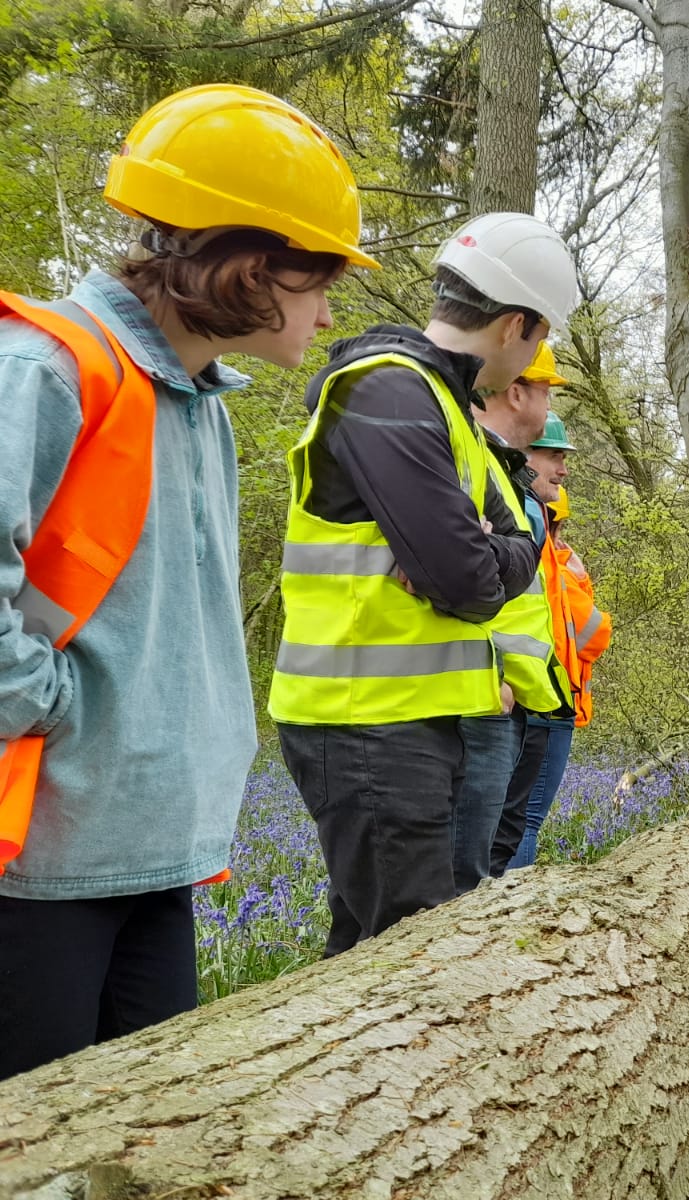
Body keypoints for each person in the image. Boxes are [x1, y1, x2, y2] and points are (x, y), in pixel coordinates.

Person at [0, 84, 374, 1080]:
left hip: (153, 854)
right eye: (320, 279)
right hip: (35, 866)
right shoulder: (50, 369)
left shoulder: (201, 406)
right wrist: (48, 706)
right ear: (252, 268)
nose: (327, 310)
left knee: (149, 1130)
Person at [269, 212, 576, 956]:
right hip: (363, 719)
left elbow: (519, 541)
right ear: (515, 325)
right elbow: (471, 580)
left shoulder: (446, 408)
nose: (532, 361)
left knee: (377, 946)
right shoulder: (389, 393)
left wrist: (482, 553)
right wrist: (478, 555)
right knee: (401, 953)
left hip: (411, 720)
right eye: (539, 340)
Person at [450, 342, 568, 894]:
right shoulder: (476, 465)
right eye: (546, 393)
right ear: (516, 393)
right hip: (488, 694)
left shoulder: (512, 484)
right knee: (472, 862)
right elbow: (463, 578)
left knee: (495, 847)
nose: (563, 469)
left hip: (521, 693)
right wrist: (493, 675)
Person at [509, 483, 613, 869]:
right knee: (526, 819)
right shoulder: (557, 572)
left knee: (505, 816)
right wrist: (582, 581)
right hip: (552, 698)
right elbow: (594, 634)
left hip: (519, 694)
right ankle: (514, 896)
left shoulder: (518, 559)